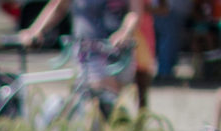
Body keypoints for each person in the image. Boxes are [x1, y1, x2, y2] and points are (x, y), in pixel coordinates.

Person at [20, 0, 152, 114]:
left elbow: (135, 12)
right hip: (87, 51)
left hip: (116, 51)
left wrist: (125, 31)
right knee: (94, 97)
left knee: (107, 99)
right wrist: (35, 31)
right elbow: (58, 6)